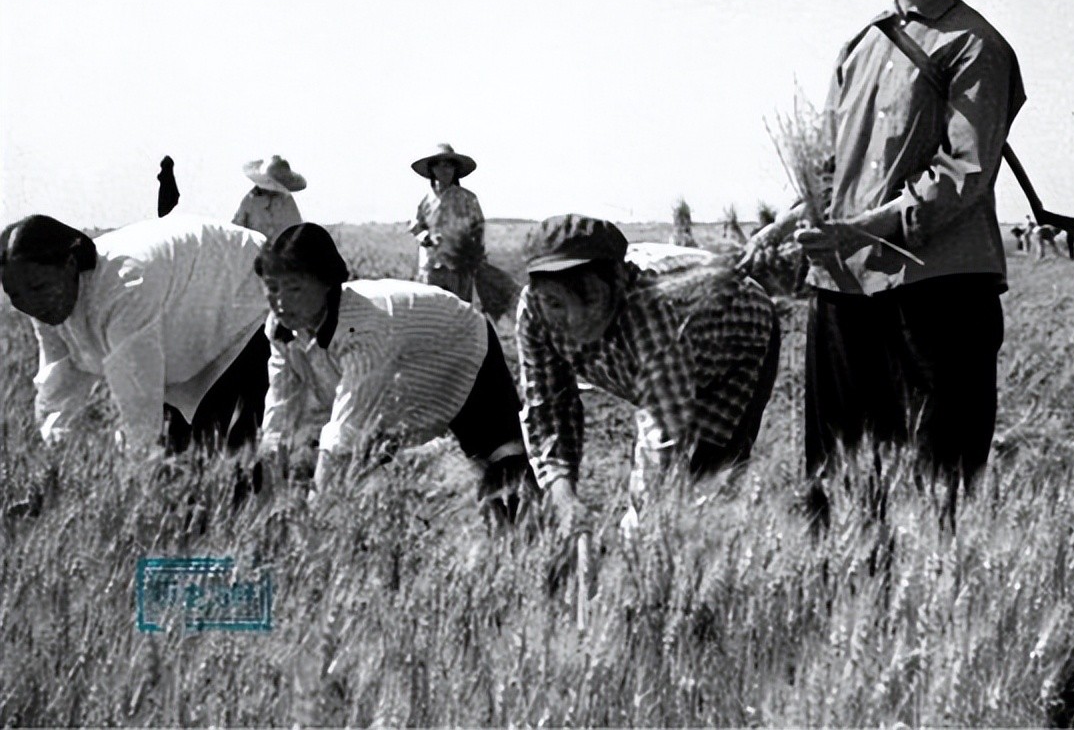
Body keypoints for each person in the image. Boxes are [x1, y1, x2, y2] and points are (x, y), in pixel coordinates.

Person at [744, 0, 1025, 531]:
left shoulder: (975, 45)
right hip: (844, 294)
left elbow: (961, 174)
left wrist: (859, 229)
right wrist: (787, 223)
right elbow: (832, 170)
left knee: (934, 487)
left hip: (938, 296)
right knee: (839, 480)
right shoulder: (859, 46)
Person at [516, 214, 780, 542]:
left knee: (702, 480)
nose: (574, 319)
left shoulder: (652, 310)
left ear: (617, 281)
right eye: (556, 303)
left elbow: (664, 436)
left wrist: (638, 529)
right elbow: (547, 407)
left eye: (589, 299)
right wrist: (563, 497)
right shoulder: (535, 312)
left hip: (733, 349)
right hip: (655, 365)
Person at [257, 223, 531, 524]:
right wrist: (268, 501)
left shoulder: (363, 327)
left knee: (501, 468)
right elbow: (280, 411)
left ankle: (535, 547)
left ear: (325, 282)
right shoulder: (282, 329)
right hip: (399, 374)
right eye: (272, 288)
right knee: (360, 468)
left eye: (294, 288)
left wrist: (310, 516)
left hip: (463, 347)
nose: (281, 302)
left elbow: (345, 430)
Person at [0, 213, 271, 454]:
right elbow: (59, 382)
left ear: (70, 265)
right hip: (186, 312)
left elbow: (140, 406)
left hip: (244, 290)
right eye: (15, 295)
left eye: (37, 288)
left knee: (226, 449)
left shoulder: (123, 288)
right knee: (177, 452)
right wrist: (55, 454)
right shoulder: (45, 306)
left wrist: (133, 471)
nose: (30, 304)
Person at [408, 143, 485, 303]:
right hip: (431, 266)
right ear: (432, 170)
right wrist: (425, 237)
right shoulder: (424, 199)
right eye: (440, 166)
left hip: (459, 267)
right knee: (431, 311)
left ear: (455, 169)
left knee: (460, 311)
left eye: (449, 166)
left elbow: (478, 229)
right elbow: (415, 225)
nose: (445, 170)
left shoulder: (468, 199)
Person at [232, 155, 306, 240]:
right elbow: (237, 228)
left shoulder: (287, 202)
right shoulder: (252, 198)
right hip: (253, 249)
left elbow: (295, 233)